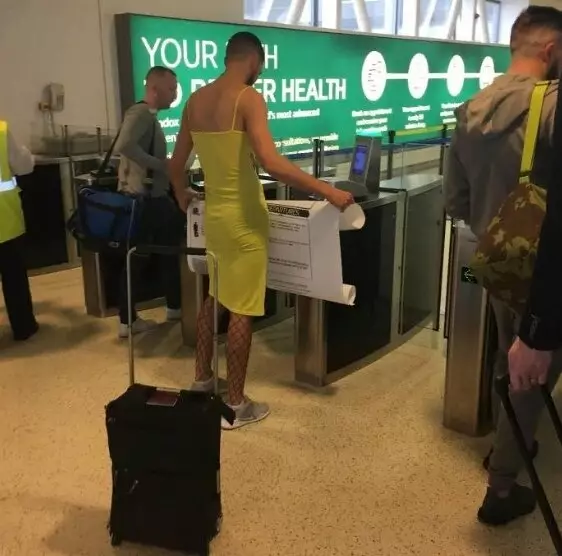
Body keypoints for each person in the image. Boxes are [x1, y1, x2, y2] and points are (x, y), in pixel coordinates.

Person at [170, 31, 354, 430]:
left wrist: (181, 193)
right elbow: (271, 162)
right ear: (254, 59)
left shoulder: (195, 101)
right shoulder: (248, 98)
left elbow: (176, 162)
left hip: (216, 217)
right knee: (243, 307)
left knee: (214, 295)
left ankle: (202, 380)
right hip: (246, 219)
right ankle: (236, 404)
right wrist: (329, 191)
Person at [445, 6, 562, 526]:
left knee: (505, 354)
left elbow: (455, 200)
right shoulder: (555, 105)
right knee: (535, 369)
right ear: (551, 50)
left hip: (493, 261)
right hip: (546, 269)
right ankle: (502, 487)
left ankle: (502, 446)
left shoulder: (469, 109)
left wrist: (496, 221)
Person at [114, 66, 189, 339]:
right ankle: (129, 319)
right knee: (140, 255)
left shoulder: (149, 116)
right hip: (144, 199)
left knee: (164, 248)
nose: (175, 93)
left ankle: (173, 305)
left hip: (150, 197)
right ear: (155, 89)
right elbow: (125, 145)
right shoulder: (141, 114)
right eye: (171, 88)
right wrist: (162, 166)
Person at [0, 120, 37, 341]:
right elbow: (24, 165)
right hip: (4, 221)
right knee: (13, 277)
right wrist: (29, 156)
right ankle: (24, 327)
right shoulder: (2, 132)